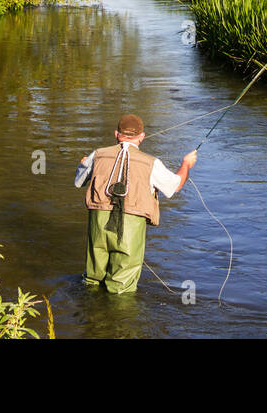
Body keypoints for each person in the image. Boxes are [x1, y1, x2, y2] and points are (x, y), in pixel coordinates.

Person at [76, 113, 198, 294]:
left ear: (116, 134)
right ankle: (119, 318)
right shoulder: (152, 163)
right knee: (121, 288)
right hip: (130, 227)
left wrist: (85, 163)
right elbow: (174, 187)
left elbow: (78, 181)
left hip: (98, 223)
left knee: (92, 280)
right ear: (142, 137)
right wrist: (186, 164)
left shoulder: (97, 155)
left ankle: (88, 315)